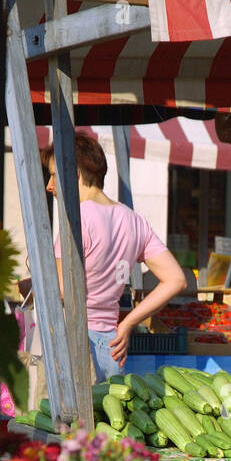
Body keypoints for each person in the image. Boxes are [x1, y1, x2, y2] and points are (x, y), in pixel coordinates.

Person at [44, 135, 188, 382]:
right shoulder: (134, 221)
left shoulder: (77, 221)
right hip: (112, 345)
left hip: (75, 345)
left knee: (67, 422)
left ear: (75, 174)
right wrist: (128, 323)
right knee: (108, 420)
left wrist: (34, 285)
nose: (49, 185)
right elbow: (176, 279)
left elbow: (62, 291)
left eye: (54, 175)